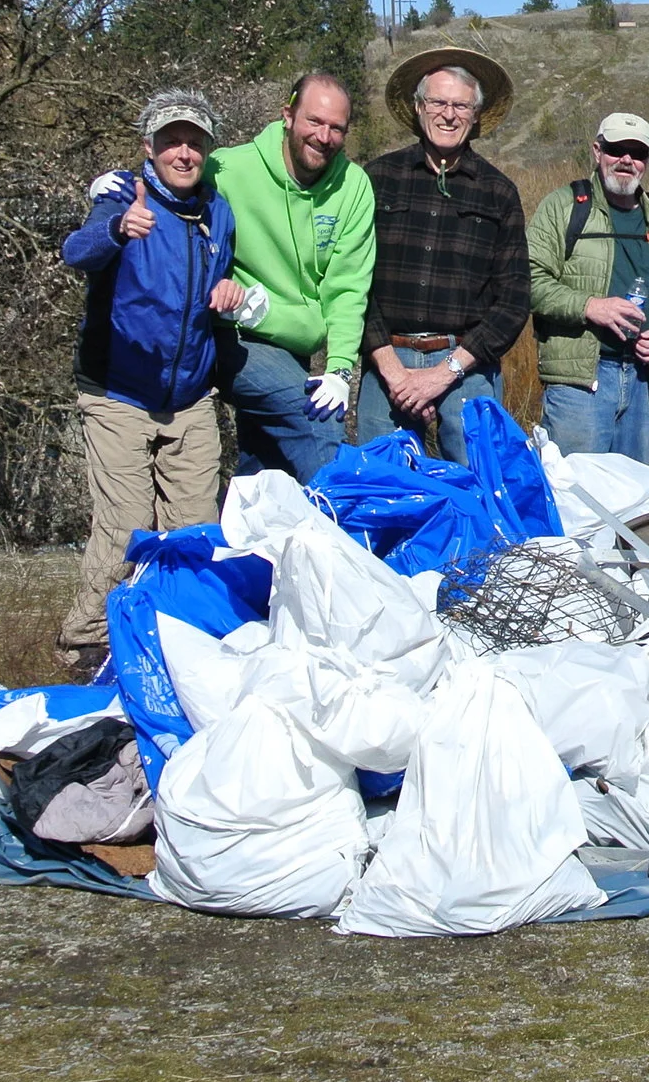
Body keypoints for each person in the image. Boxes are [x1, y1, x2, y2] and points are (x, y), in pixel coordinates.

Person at [55, 91, 257, 670]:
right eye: (172, 140)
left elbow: (219, 288)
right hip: (118, 392)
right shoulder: (123, 195)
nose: (184, 152)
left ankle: (177, 635)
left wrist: (231, 297)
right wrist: (119, 228)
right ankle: (87, 641)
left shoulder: (218, 213)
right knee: (124, 525)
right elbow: (77, 252)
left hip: (191, 398)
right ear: (149, 147)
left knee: (195, 531)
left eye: (194, 141)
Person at [356, 48, 531, 465]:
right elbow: (352, 280)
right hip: (387, 361)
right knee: (382, 493)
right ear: (419, 107)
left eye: (460, 105)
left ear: (475, 116)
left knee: (482, 489)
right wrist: (394, 372)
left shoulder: (499, 192)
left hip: (465, 365)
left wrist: (443, 373)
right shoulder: (376, 179)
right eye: (438, 102)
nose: (448, 114)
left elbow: (513, 301)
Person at [204, 72, 377, 480]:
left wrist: (339, 370)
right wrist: (125, 190)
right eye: (314, 121)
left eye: (336, 128)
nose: (324, 136)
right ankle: (350, 530)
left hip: (295, 342)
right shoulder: (230, 168)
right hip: (235, 335)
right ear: (288, 115)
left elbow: (348, 289)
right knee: (315, 421)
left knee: (266, 465)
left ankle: (260, 537)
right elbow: (175, 174)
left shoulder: (352, 187)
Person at [526, 110, 649, 459]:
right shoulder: (563, 207)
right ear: (597, 151)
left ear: (646, 161)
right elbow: (529, 279)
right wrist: (590, 306)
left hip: (644, 382)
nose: (626, 160)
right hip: (579, 386)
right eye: (617, 149)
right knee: (578, 498)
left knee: (635, 502)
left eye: (637, 153)